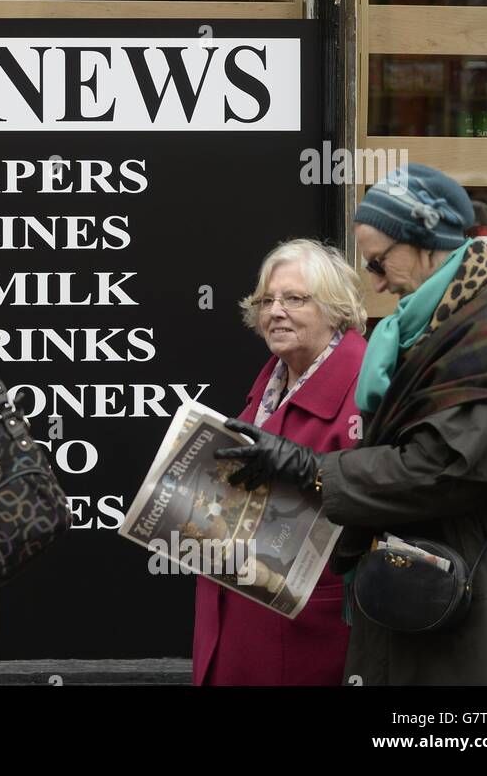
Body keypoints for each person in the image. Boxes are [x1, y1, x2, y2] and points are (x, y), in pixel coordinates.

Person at [216, 164, 487, 684]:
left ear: (425, 243)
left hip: (478, 599)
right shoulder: (433, 327)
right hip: (420, 587)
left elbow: (435, 469)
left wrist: (309, 469)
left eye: (379, 261)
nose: (374, 281)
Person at [193, 239, 367, 685]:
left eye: (294, 299)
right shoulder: (271, 382)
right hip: (239, 626)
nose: (275, 312)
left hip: (306, 634)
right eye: (266, 300)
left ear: (335, 308)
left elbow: (378, 493)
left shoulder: (365, 387)